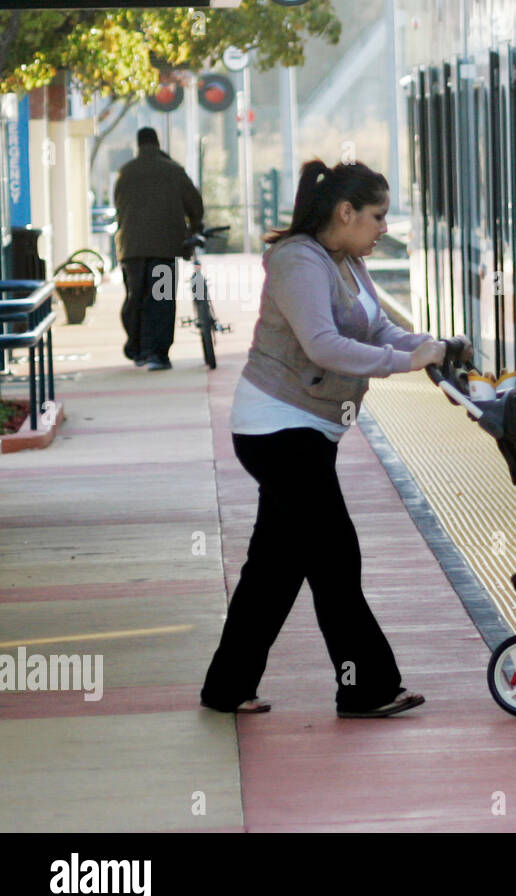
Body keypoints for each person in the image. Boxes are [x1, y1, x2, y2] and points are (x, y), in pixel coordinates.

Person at [200, 159, 470, 717]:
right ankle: (365, 686)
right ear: (344, 212)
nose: (383, 228)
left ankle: (227, 686)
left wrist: (430, 344)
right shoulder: (298, 259)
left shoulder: (346, 260)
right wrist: (403, 361)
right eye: (377, 216)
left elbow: (377, 329)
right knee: (334, 555)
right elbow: (322, 344)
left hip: (307, 428)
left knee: (274, 566)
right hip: (277, 427)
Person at [113, 127, 205, 371]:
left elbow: (118, 206)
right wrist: (195, 225)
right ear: (157, 143)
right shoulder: (173, 170)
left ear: (138, 144)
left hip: (131, 249)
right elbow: (195, 204)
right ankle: (157, 354)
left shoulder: (126, 172)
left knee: (136, 297)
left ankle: (137, 347)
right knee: (161, 299)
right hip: (165, 248)